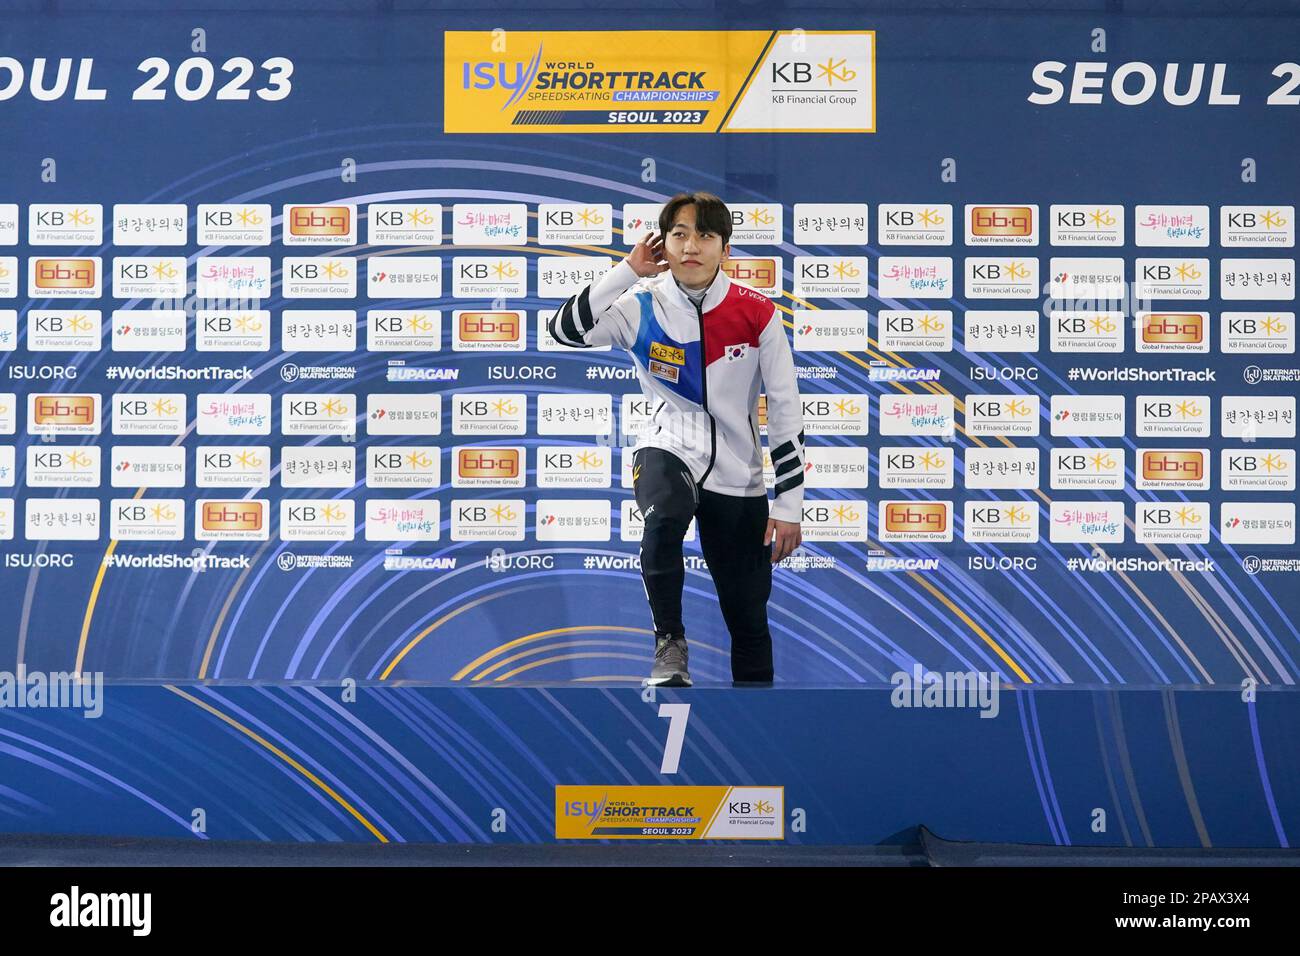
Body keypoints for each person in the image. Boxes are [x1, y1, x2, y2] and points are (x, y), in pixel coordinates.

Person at [548, 191, 805, 687]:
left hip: (739, 473)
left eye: (705, 236)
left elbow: (787, 410)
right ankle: (670, 643)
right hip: (668, 445)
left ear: (725, 248)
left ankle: (757, 732)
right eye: (680, 234)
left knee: (747, 616)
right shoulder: (641, 303)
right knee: (663, 518)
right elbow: (563, 330)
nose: (692, 246)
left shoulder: (757, 313)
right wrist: (627, 271)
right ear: (662, 243)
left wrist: (789, 504)